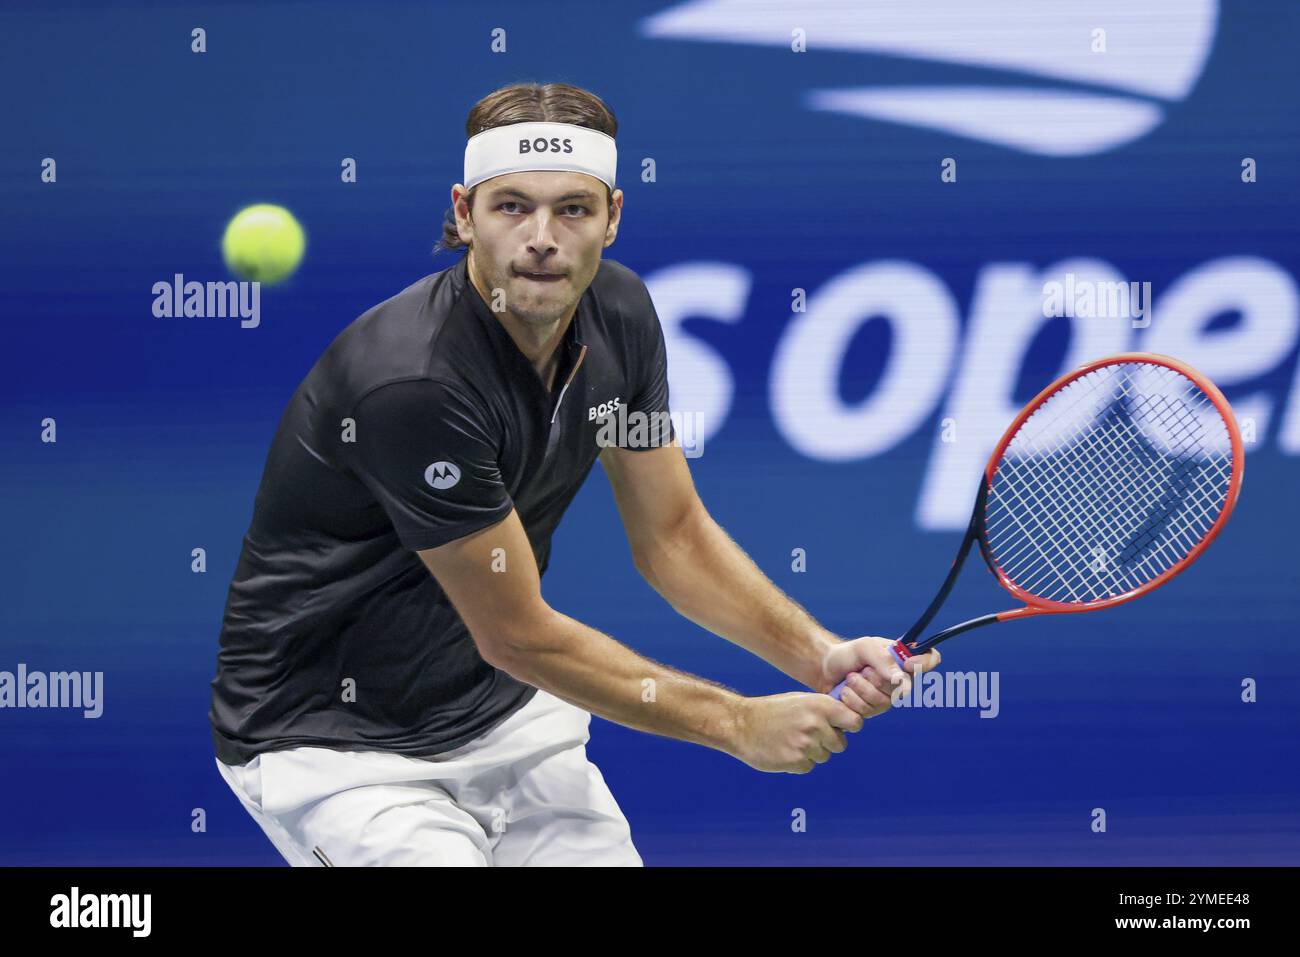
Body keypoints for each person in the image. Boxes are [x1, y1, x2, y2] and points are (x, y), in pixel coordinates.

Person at [209, 81, 940, 867]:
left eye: (573, 210)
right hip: (335, 745)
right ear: (464, 214)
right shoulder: (412, 386)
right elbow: (516, 633)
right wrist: (736, 723)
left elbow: (674, 537)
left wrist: (815, 653)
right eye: (512, 206)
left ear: (613, 217)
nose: (541, 238)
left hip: (505, 722)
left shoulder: (620, 318)